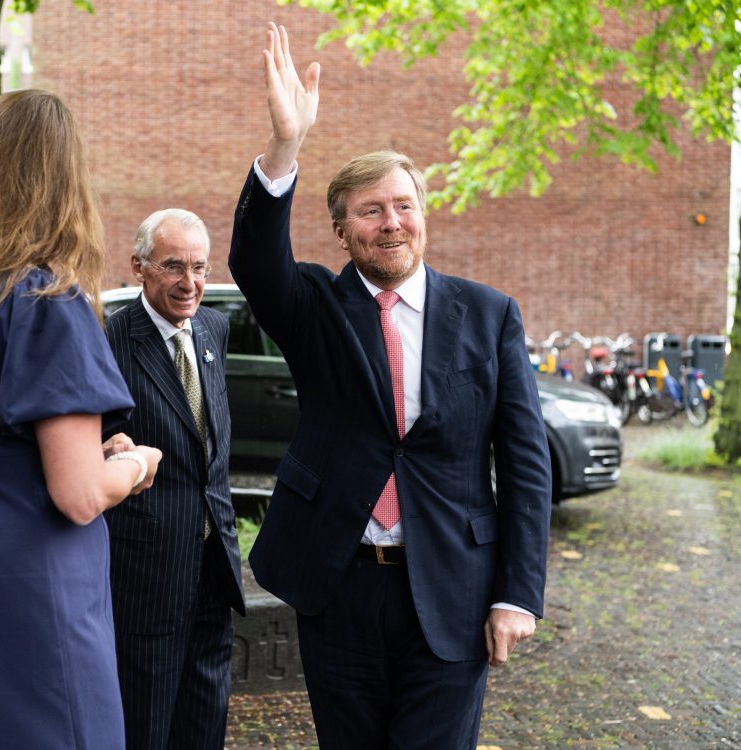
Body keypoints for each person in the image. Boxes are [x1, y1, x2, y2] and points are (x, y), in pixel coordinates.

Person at [227, 24, 553, 749]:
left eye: (403, 205)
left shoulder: (489, 314)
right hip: (337, 582)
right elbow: (253, 259)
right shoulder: (314, 307)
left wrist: (516, 592)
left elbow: (525, 464)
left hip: (452, 585)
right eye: (370, 211)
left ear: (423, 214)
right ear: (341, 229)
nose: (391, 223)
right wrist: (285, 148)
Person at [0, 88, 162, 749]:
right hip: (35, 609)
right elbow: (76, 496)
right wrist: (134, 464)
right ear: (62, 179)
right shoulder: (46, 299)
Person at [103, 209, 246, 750]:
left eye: (200, 268)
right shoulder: (110, 341)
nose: (190, 283)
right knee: (145, 726)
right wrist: (110, 447)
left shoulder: (213, 327)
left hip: (213, 566)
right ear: (138, 266)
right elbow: (93, 448)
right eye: (173, 267)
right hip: (145, 576)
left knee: (205, 722)